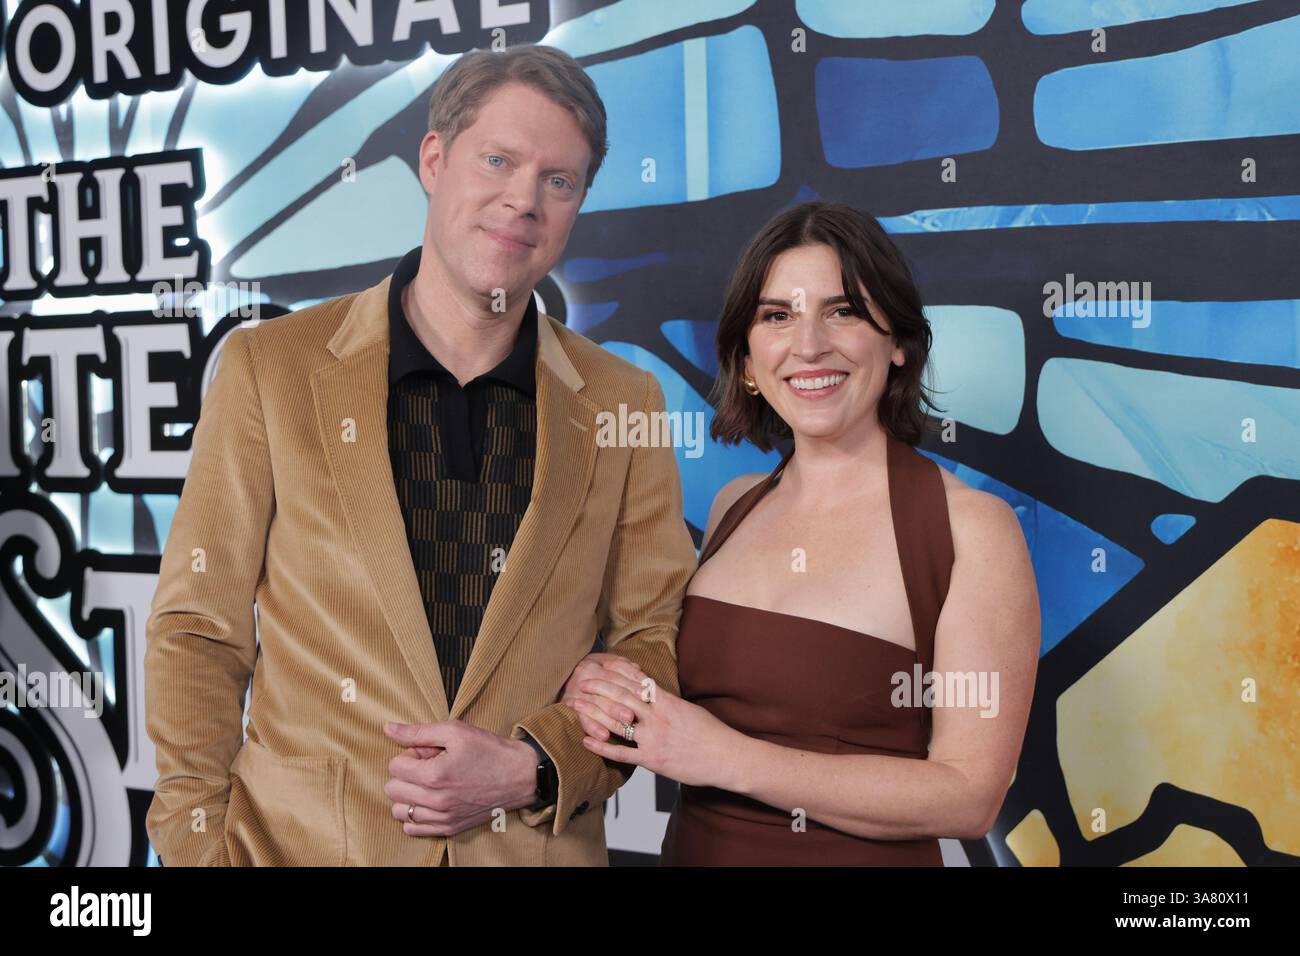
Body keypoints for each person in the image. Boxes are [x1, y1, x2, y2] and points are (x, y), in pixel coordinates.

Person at [144, 45, 697, 866]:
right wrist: (195, 848)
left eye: (559, 181)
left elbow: (654, 639)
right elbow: (196, 628)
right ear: (433, 161)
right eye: (499, 160)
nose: (523, 200)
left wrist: (536, 767)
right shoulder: (272, 369)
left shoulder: (626, 403)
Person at [563, 201, 1040, 865]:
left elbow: (968, 796)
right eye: (777, 316)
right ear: (749, 361)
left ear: (898, 342)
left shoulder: (970, 530)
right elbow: (670, 698)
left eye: (842, 311)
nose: (809, 344)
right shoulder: (735, 506)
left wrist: (727, 757)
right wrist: (603, 682)